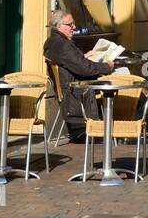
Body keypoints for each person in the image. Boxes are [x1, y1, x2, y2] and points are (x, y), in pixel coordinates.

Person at [43, 9, 115, 144]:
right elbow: (85, 69)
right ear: (59, 27)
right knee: (118, 79)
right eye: (70, 25)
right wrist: (106, 67)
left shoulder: (53, 42)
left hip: (72, 84)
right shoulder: (63, 45)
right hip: (76, 88)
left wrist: (83, 56)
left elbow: (73, 62)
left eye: (73, 24)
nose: (74, 27)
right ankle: (128, 121)